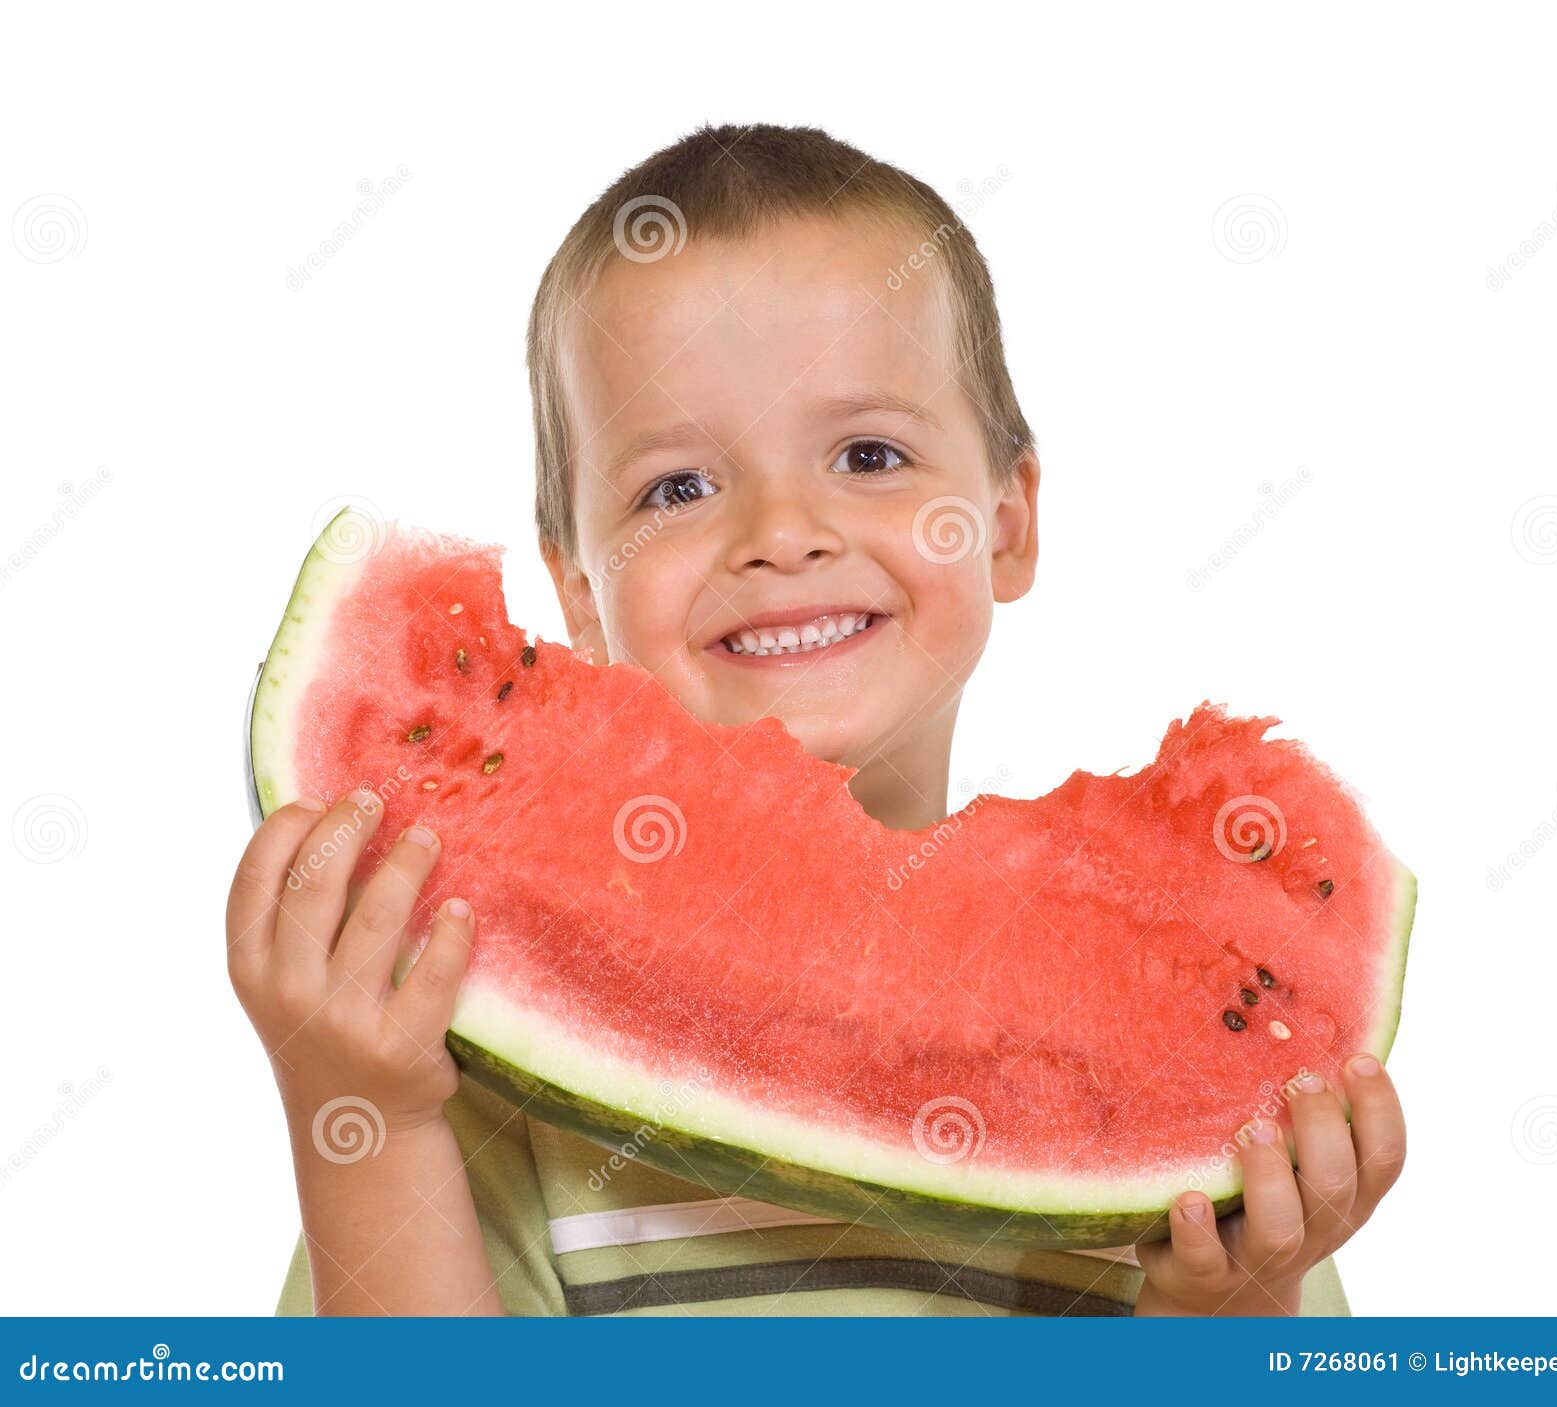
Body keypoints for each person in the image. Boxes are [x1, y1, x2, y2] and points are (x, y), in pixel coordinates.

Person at [227, 122, 1405, 1317]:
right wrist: (365, 1120)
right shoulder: (466, 1075)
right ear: (579, 589)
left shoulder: (1173, 1079)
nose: (783, 531)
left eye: (870, 453)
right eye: (678, 488)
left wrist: (1231, 1308)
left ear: (1006, 520)